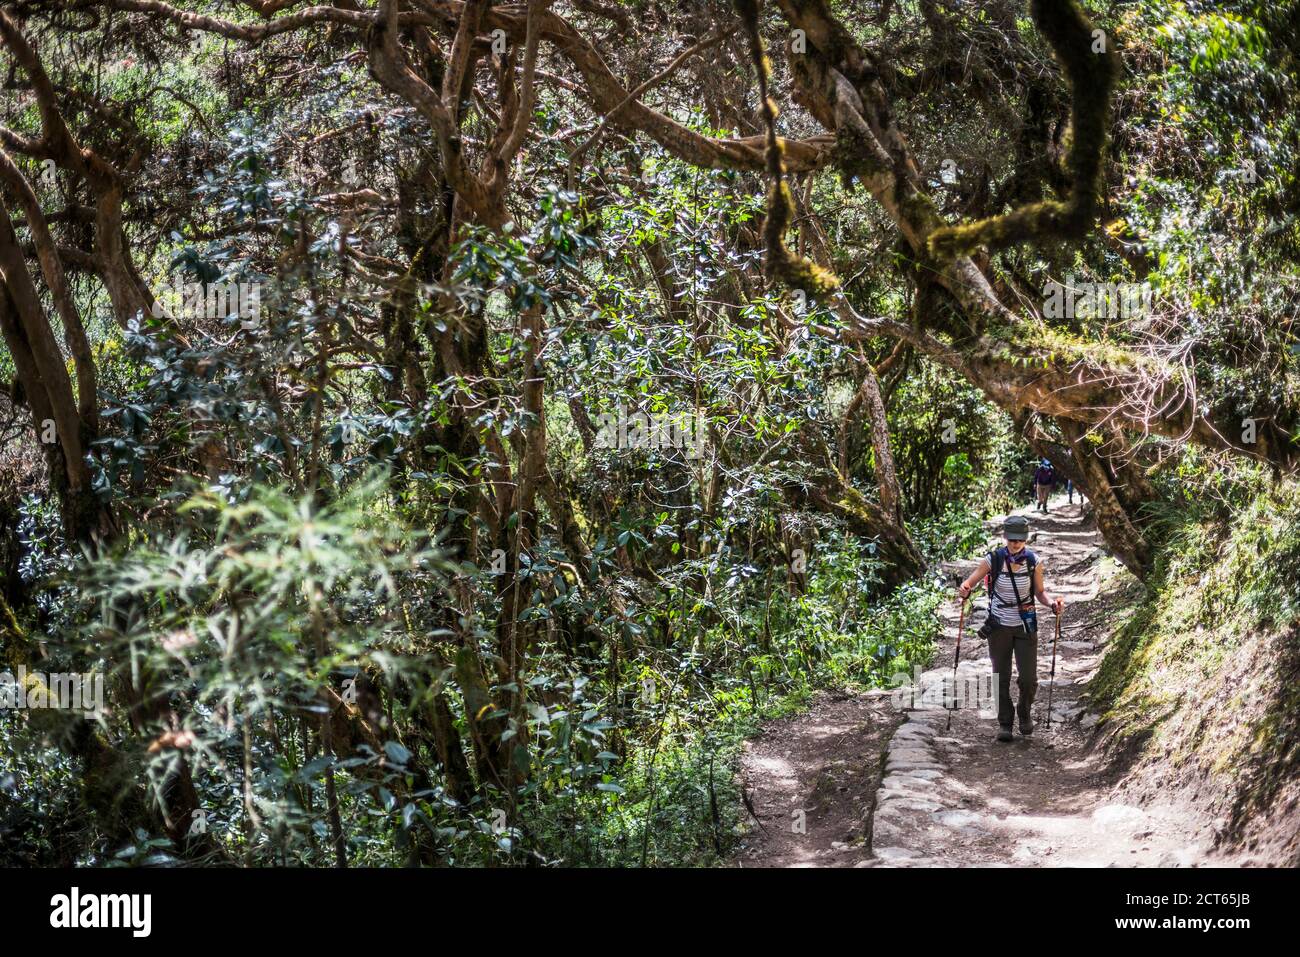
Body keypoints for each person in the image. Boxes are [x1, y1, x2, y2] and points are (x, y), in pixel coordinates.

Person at [956, 515, 1065, 742]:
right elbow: (971, 581)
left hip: (1025, 624)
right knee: (1001, 676)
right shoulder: (993, 559)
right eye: (1012, 539)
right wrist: (965, 588)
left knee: (1029, 679)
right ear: (1005, 537)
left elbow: (1040, 592)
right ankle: (1005, 722)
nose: (1016, 544)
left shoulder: (1034, 561)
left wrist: (1052, 604)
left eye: (1020, 540)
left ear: (1025, 539)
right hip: (998, 626)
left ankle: (1024, 713)